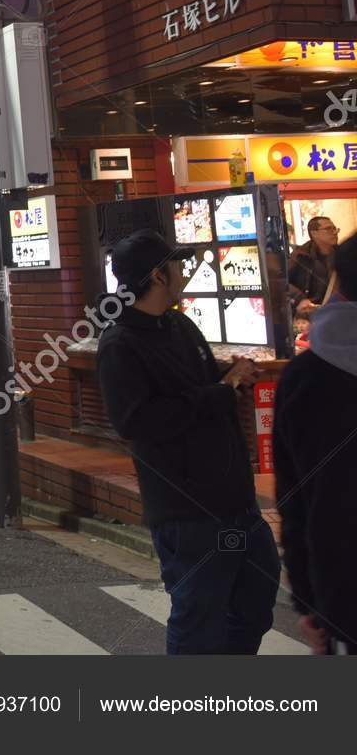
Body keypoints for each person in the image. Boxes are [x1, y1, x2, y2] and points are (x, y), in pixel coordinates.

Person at [97, 229, 278, 655]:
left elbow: (201, 386)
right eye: (177, 265)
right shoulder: (120, 343)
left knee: (255, 602)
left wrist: (228, 378)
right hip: (188, 511)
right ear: (159, 276)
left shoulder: (178, 323)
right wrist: (219, 391)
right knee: (199, 619)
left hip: (236, 501)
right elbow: (137, 422)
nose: (183, 271)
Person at [275, 230, 357, 655]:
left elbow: (295, 499)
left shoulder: (304, 378)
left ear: (338, 284)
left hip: (343, 589)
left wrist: (308, 599)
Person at [289, 216, 338, 317]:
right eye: (328, 229)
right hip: (309, 313)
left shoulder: (342, 254)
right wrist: (300, 299)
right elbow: (282, 280)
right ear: (314, 233)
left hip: (338, 311)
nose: (334, 232)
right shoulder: (300, 255)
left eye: (335, 228)